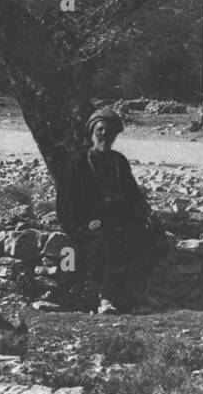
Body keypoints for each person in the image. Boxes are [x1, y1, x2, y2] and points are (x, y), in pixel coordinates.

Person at [56, 108, 166, 314]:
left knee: (149, 237)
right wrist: (84, 222)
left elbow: (133, 196)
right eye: (100, 130)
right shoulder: (78, 162)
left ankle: (138, 291)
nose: (104, 135)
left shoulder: (118, 161)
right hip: (87, 224)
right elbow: (67, 203)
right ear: (92, 132)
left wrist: (146, 215)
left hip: (117, 220)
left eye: (110, 131)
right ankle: (105, 297)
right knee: (104, 243)